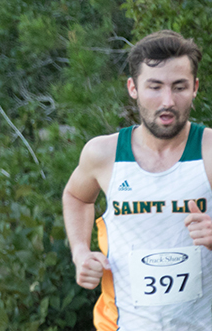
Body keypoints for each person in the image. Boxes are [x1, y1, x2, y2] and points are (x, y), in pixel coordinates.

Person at [62, 30, 212, 330]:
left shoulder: (208, 151)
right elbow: (77, 196)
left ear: (195, 88)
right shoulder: (103, 154)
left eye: (179, 87)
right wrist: (80, 251)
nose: (167, 101)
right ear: (133, 88)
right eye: (154, 87)